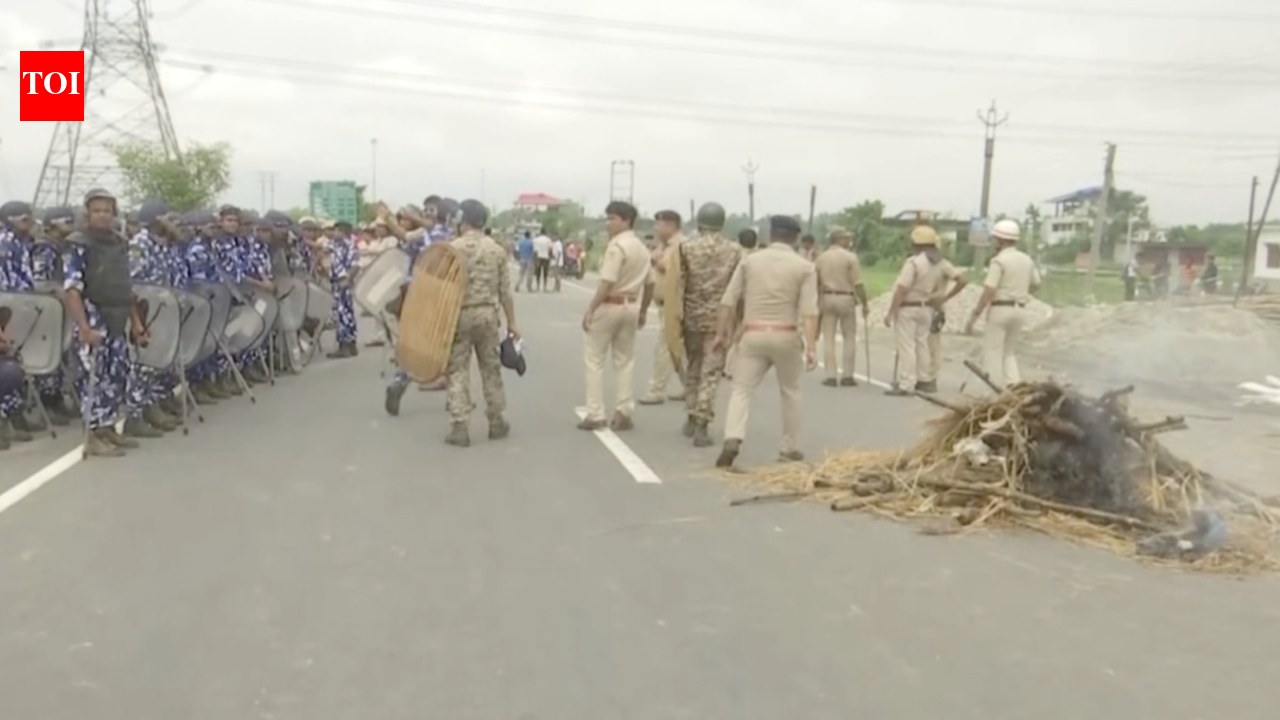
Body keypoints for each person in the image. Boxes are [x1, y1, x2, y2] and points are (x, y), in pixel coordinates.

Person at [713, 215, 819, 469]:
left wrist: (721, 334)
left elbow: (728, 300)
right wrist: (812, 347)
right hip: (786, 334)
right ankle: (789, 447)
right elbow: (809, 311)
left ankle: (733, 438)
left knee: (741, 390)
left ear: (770, 235)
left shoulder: (750, 262)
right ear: (794, 238)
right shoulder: (804, 267)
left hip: (753, 333)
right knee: (790, 392)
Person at [63, 188, 149, 457]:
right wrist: (84, 327)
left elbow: (127, 287)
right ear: (87, 213)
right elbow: (72, 289)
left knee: (116, 373)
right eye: (97, 210)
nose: (102, 215)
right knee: (94, 376)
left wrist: (136, 323)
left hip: (117, 314)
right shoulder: (77, 243)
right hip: (92, 313)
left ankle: (107, 427)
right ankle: (91, 435)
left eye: (107, 211)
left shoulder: (119, 242)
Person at [440, 200, 519, 446]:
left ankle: (460, 426)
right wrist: (512, 323)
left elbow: (441, 290)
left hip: (459, 315)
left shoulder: (451, 249)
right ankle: (496, 421)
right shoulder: (496, 250)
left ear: (462, 218)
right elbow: (505, 291)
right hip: (487, 315)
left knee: (458, 370)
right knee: (491, 369)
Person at [578, 201, 653, 431]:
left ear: (626, 220)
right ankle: (624, 411)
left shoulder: (616, 247)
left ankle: (595, 413)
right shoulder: (641, 248)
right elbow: (650, 283)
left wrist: (591, 308)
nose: (608, 223)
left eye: (612, 218)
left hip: (611, 304)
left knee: (594, 359)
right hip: (631, 305)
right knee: (625, 360)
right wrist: (643, 310)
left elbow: (607, 282)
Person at [676, 202, 743, 446]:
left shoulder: (686, 248)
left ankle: (691, 416)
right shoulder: (735, 251)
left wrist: (677, 318)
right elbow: (738, 288)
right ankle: (703, 422)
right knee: (712, 372)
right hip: (720, 320)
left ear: (699, 222)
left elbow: (679, 285)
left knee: (693, 366)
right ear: (722, 223)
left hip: (691, 316)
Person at [965, 219, 1040, 387]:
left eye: (995, 239)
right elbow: (1036, 284)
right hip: (1020, 309)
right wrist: (1020, 292)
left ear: (1000, 240)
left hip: (1000, 309)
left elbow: (989, 290)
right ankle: (1015, 386)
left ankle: (994, 391)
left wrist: (975, 315)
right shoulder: (1026, 259)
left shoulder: (999, 261)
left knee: (992, 352)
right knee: (1009, 353)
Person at [883, 225, 945, 396]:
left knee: (907, 346)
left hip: (908, 308)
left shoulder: (914, 262)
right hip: (926, 307)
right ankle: (924, 379)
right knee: (922, 343)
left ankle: (907, 383)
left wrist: (891, 312)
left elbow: (902, 288)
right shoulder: (938, 262)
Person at [0, 200, 39, 446]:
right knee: (9, 368)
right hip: (4, 312)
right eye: (25, 219)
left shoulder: (21, 243)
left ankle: (12, 415)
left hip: (17, 310)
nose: (31, 224)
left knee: (15, 365)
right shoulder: (3, 243)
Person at [639, 209, 686, 405]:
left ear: (670, 226)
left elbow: (665, 265)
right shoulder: (665, 245)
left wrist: (656, 258)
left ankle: (655, 390)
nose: (656, 229)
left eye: (659, 225)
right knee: (677, 350)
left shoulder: (680, 245)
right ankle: (690, 386)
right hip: (663, 304)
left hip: (674, 304)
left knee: (664, 347)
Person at [813, 226, 868, 386]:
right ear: (839, 239)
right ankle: (847, 375)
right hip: (846, 297)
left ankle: (830, 375)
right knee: (849, 337)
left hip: (826, 297)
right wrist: (864, 303)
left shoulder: (821, 258)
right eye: (846, 238)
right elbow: (858, 283)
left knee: (828, 337)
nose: (849, 241)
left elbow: (815, 282)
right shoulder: (850, 257)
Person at [923, 239, 967, 393]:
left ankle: (931, 378)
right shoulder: (919, 263)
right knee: (919, 344)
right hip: (919, 307)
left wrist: (945, 297)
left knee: (932, 344)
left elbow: (962, 280)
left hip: (934, 308)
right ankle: (921, 375)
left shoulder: (943, 265)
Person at [326, 220, 359, 358]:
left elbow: (356, 265)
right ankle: (349, 345)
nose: (334, 233)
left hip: (343, 282)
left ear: (344, 232)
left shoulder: (349, 246)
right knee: (341, 313)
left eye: (337, 231)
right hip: (335, 282)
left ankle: (346, 345)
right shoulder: (335, 246)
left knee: (344, 314)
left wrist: (347, 280)